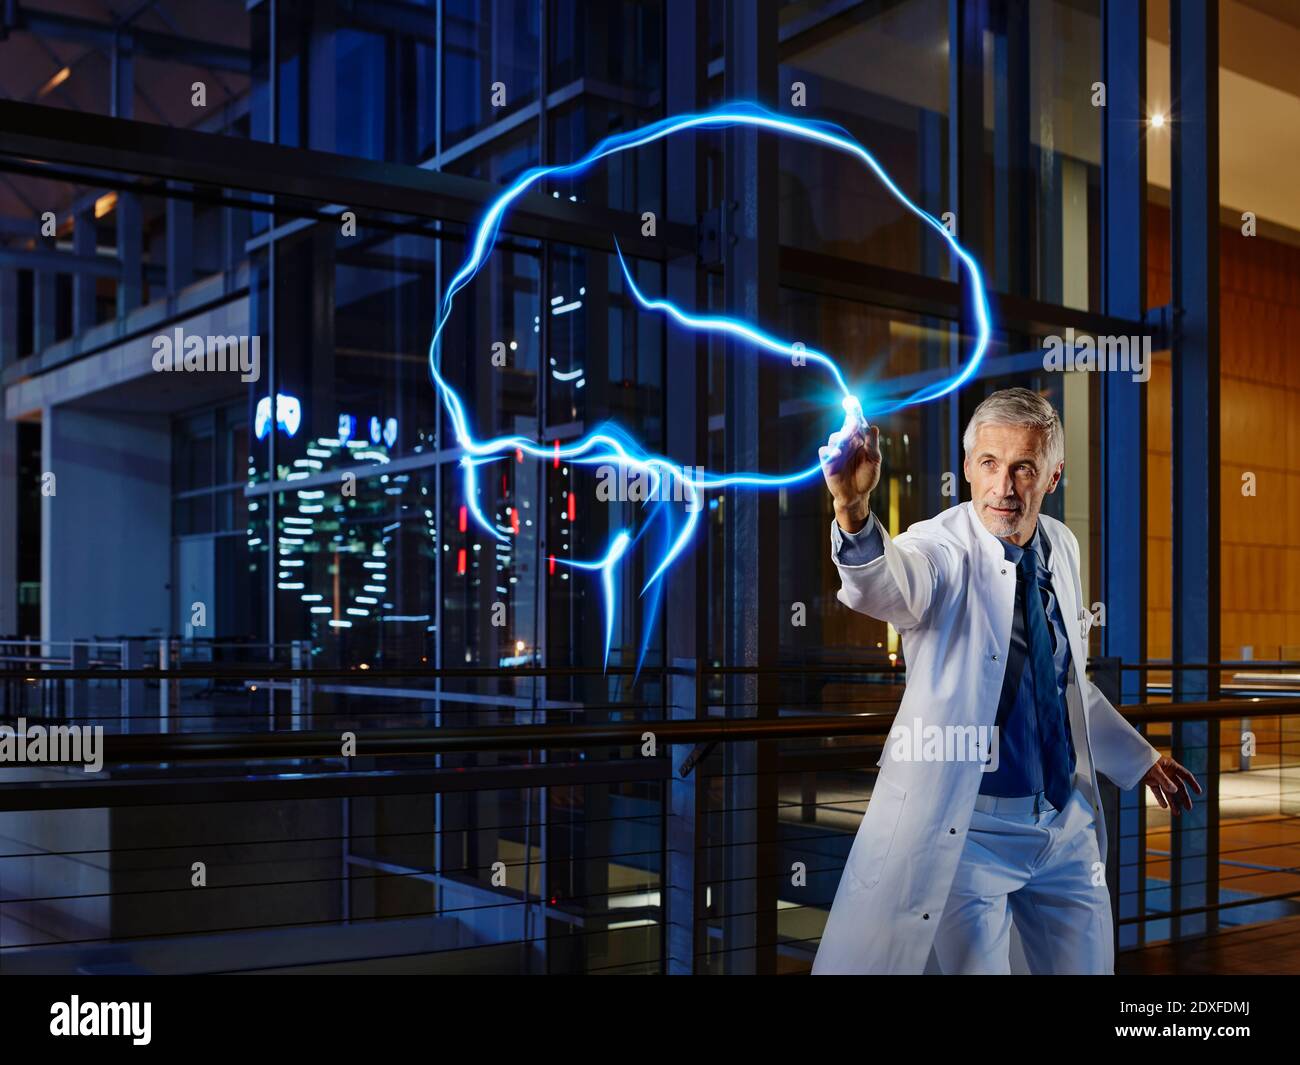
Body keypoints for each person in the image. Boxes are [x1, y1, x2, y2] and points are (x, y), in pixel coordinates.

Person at [811, 387, 1201, 975]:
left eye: (1024, 468)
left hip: (1063, 825)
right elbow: (886, 584)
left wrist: (1138, 758)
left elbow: (1065, 685)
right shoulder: (937, 547)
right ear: (968, 467)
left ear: (1053, 474)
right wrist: (852, 512)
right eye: (989, 465)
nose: (1005, 487)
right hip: (969, 833)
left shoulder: (1061, 546)